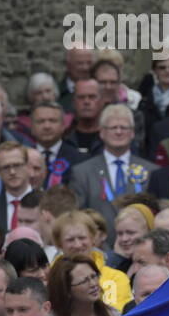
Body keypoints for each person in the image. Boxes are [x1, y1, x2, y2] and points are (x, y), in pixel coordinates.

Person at [68, 104, 158, 247]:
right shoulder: (82, 172)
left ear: (133, 133)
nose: (118, 132)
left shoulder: (151, 171)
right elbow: (79, 216)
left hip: (141, 248)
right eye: (113, 128)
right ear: (102, 132)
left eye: (124, 128)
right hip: (99, 248)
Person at [0, 142, 36, 233]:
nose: (12, 172)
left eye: (17, 165)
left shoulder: (46, 203)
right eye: (5, 167)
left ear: (28, 167)